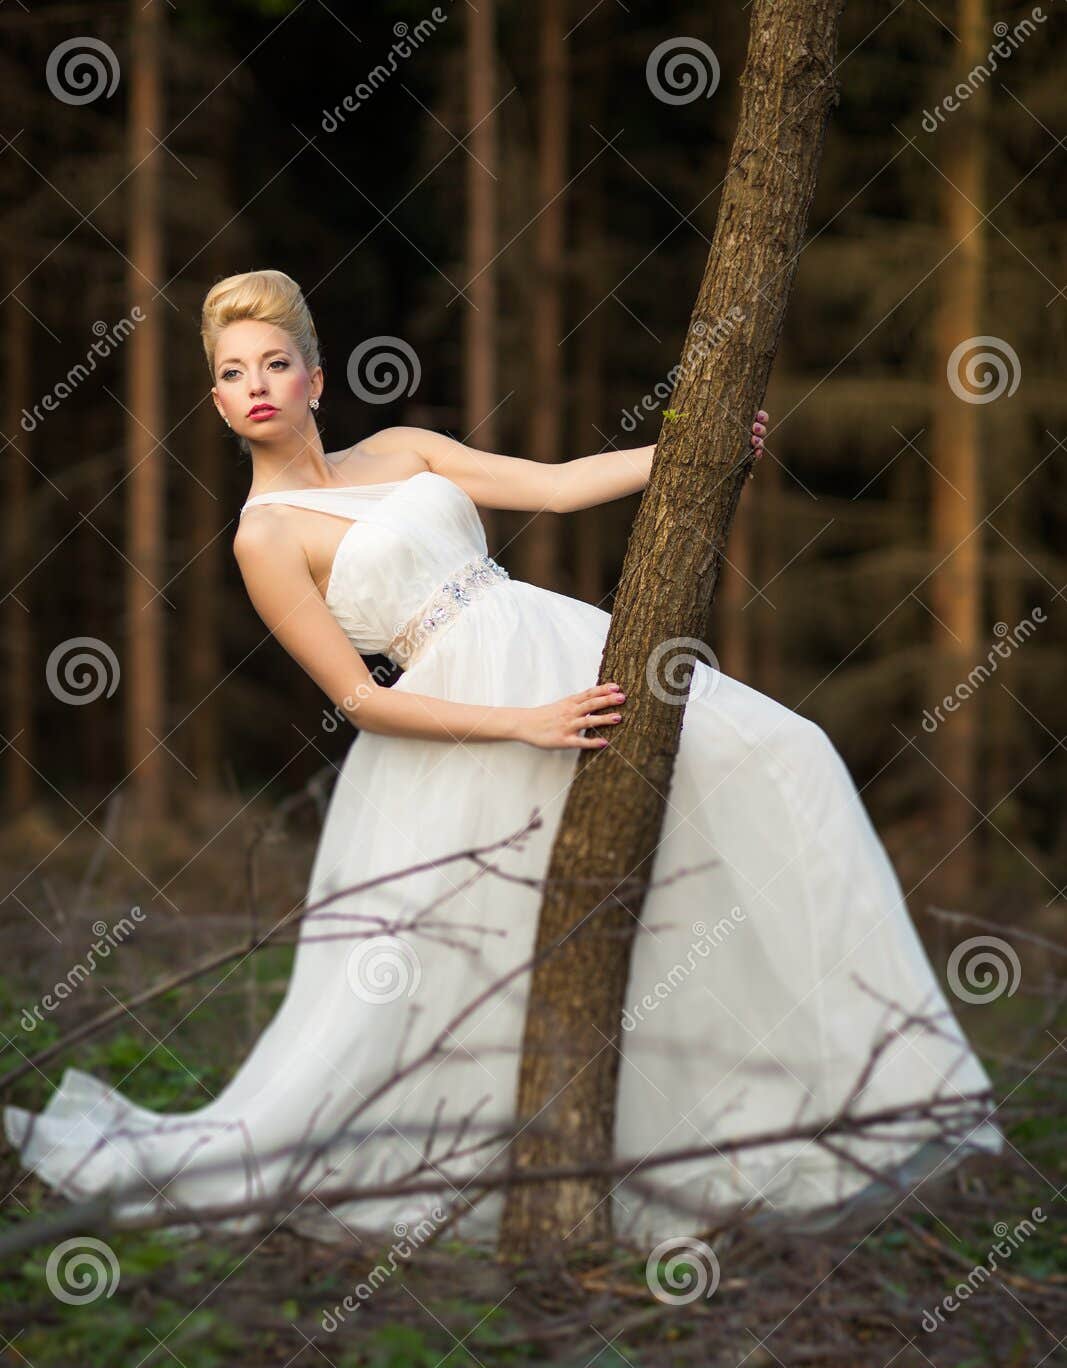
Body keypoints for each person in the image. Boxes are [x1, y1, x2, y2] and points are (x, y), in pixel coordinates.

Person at [4, 269, 1002, 1246]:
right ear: (217, 404)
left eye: (274, 362)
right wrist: (520, 726)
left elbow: (558, 489)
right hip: (463, 723)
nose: (255, 384)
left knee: (784, 753)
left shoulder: (399, 447)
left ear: (315, 376)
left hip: (552, 637)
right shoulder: (262, 538)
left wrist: (688, 452)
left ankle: (863, 1081)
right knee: (506, 945)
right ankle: (541, 1171)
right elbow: (358, 698)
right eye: (231, 372)